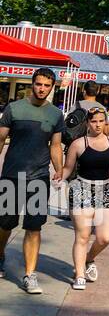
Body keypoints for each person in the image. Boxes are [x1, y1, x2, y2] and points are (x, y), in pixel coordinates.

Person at [0, 68, 66, 293]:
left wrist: (60, 169)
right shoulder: (14, 108)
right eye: (38, 84)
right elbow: (0, 138)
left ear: (52, 87)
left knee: (34, 226)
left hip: (39, 178)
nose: (42, 89)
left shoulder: (56, 114)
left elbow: (55, 145)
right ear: (32, 84)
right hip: (11, 175)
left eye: (46, 85)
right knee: (4, 224)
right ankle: (0, 255)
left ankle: (30, 274)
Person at [56, 107, 109, 290]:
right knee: (83, 236)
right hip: (82, 190)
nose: (97, 125)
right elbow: (68, 168)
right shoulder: (78, 144)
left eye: (100, 121)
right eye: (93, 121)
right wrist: (59, 177)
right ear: (88, 123)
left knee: (105, 237)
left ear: (106, 123)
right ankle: (79, 275)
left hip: (105, 190)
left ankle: (88, 259)